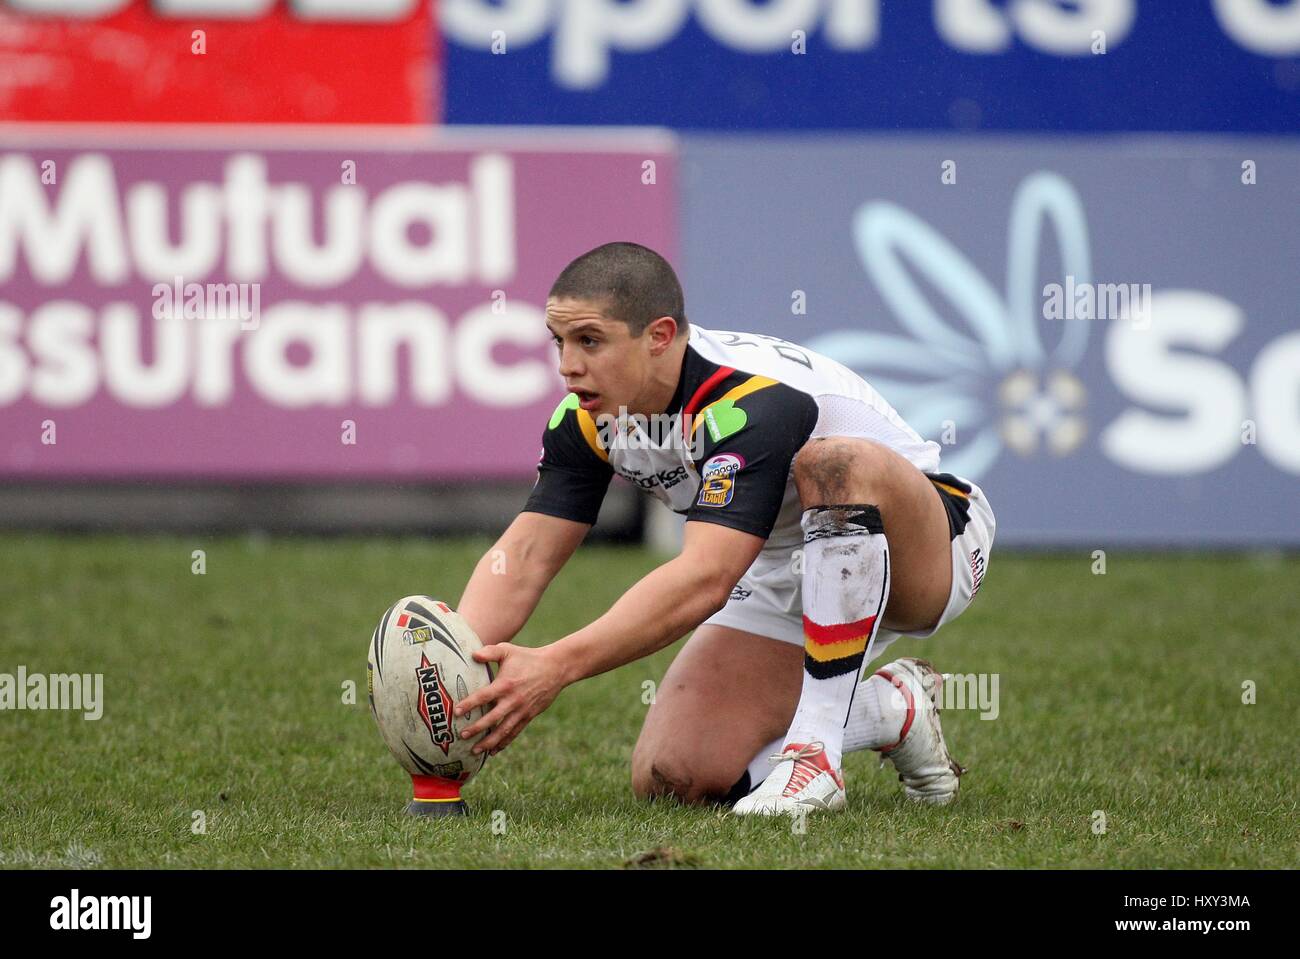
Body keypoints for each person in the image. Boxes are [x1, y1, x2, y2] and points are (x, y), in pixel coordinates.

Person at [453, 241, 995, 815]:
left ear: (659, 336)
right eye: (558, 341)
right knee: (674, 776)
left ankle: (815, 758)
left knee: (834, 462)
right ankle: (892, 709)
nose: (567, 364)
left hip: (928, 543)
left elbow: (706, 578)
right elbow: (527, 554)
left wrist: (557, 665)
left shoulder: (749, 399)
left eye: (589, 340)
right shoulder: (586, 418)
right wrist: (451, 658)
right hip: (776, 561)